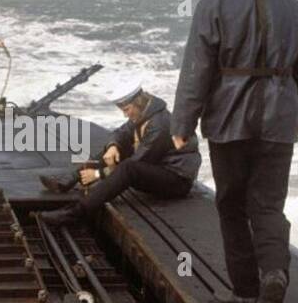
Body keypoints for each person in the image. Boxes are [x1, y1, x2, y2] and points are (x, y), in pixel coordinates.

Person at [171, 0, 298, 303]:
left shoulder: (213, 4)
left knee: (232, 206)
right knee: (268, 206)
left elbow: (197, 71)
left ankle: (247, 291)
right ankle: (275, 275)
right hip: (279, 123)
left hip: (230, 122)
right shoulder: (291, 4)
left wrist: (183, 124)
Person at [40, 82, 200, 223]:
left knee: (128, 168)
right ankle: (69, 179)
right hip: (160, 167)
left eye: (127, 109)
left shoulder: (160, 124)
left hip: (176, 180)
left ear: (138, 102)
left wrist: (97, 174)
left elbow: (140, 161)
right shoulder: (145, 113)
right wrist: (113, 146)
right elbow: (121, 133)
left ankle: (74, 213)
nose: (125, 115)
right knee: (117, 148)